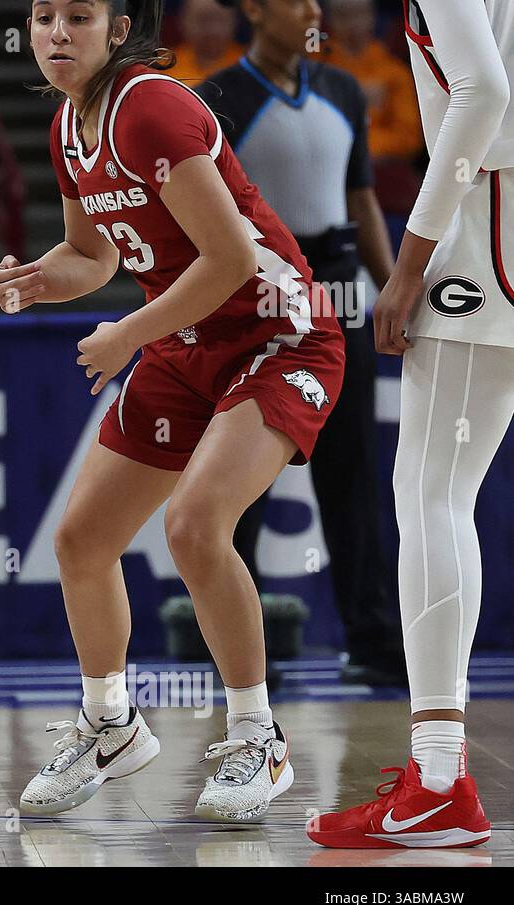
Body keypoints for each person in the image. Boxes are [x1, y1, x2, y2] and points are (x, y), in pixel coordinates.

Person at [0, 0, 343, 822]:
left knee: (195, 525)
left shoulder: (151, 105)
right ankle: (110, 724)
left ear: (118, 30)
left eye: (77, 17)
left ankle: (259, 738)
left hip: (276, 333)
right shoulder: (67, 128)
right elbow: (93, 254)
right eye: (43, 15)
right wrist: (44, 277)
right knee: (82, 541)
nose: (54, 34)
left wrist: (125, 334)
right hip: (185, 342)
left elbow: (228, 258)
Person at [308, 0, 513, 850]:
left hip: (488, 225)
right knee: (438, 493)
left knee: (429, 493)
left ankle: (437, 780)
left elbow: (482, 95)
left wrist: (408, 265)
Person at [199, 0, 405, 687]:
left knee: (353, 475)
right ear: (254, 10)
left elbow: (362, 200)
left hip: (340, 294)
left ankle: (373, 639)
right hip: (258, 294)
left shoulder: (343, 88)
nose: (314, 11)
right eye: (298, 1)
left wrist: (394, 291)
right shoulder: (217, 98)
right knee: (243, 483)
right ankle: (243, 651)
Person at [318, 0, 423, 162]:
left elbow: (410, 137)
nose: (352, 23)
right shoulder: (316, 68)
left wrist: (359, 148)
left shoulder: (395, 72)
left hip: (382, 167)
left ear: (373, 16)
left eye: (359, 14)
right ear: (329, 19)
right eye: (343, 15)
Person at [165, 0, 244, 84]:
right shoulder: (165, 67)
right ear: (182, 21)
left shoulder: (247, 66)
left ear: (234, 21)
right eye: (203, 20)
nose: (212, 31)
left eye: (220, 20)